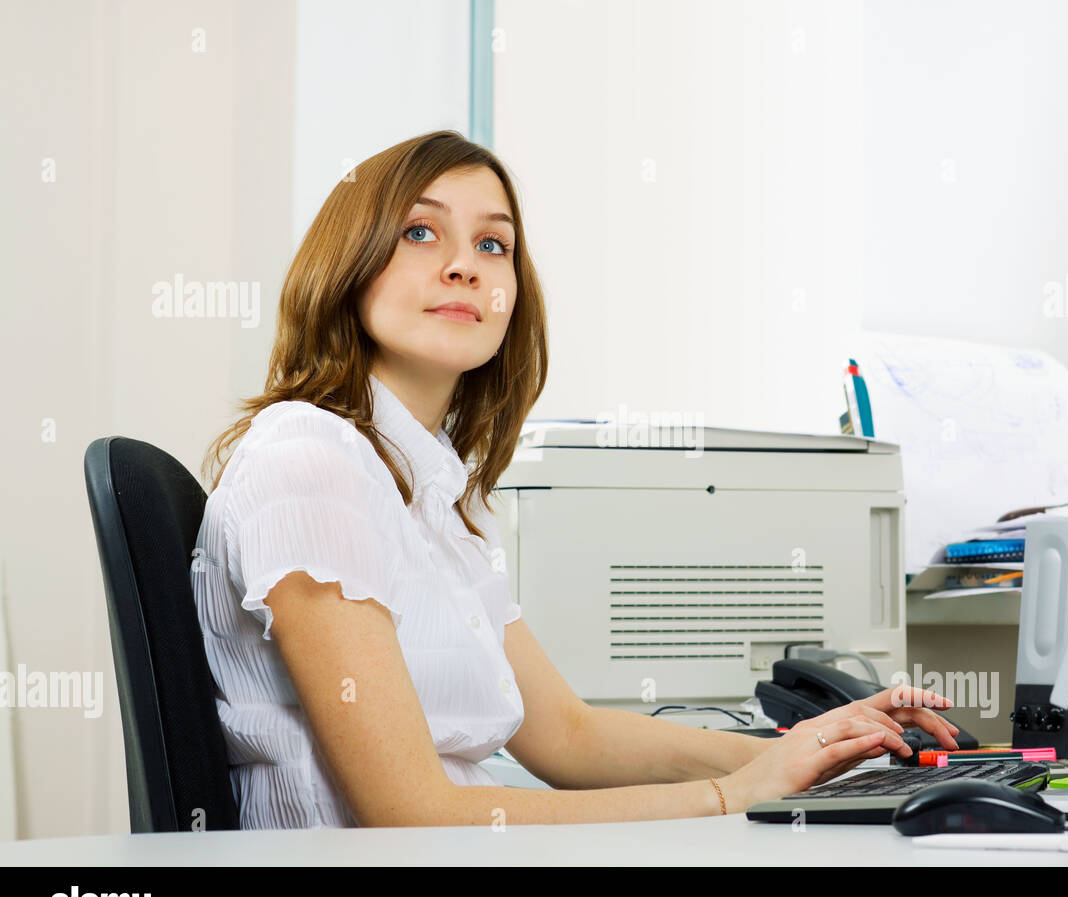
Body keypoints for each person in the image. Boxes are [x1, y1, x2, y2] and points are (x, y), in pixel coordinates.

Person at [192, 129, 961, 829]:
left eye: (494, 245)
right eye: (419, 232)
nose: (464, 264)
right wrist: (730, 797)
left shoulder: (431, 499)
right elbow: (410, 811)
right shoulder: (309, 460)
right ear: (347, 266)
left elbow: (567, 736)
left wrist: (808, 748)